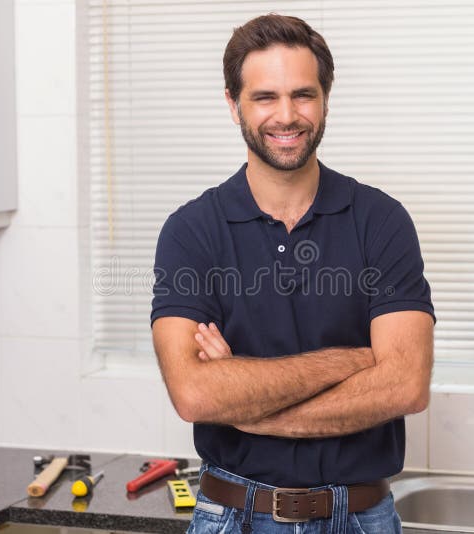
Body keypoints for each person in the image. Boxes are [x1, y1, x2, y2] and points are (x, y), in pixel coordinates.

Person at [150, 13, 435, 534]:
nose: (287, 115)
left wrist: (245, 406)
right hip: (232, 518)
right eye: (265, 97)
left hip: (362, 518)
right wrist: (350, 362)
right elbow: (194, 395)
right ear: (233, 104)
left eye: (303, 94)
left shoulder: (381, 221)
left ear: (326, 99)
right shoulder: (192, 231)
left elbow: (404, 386)